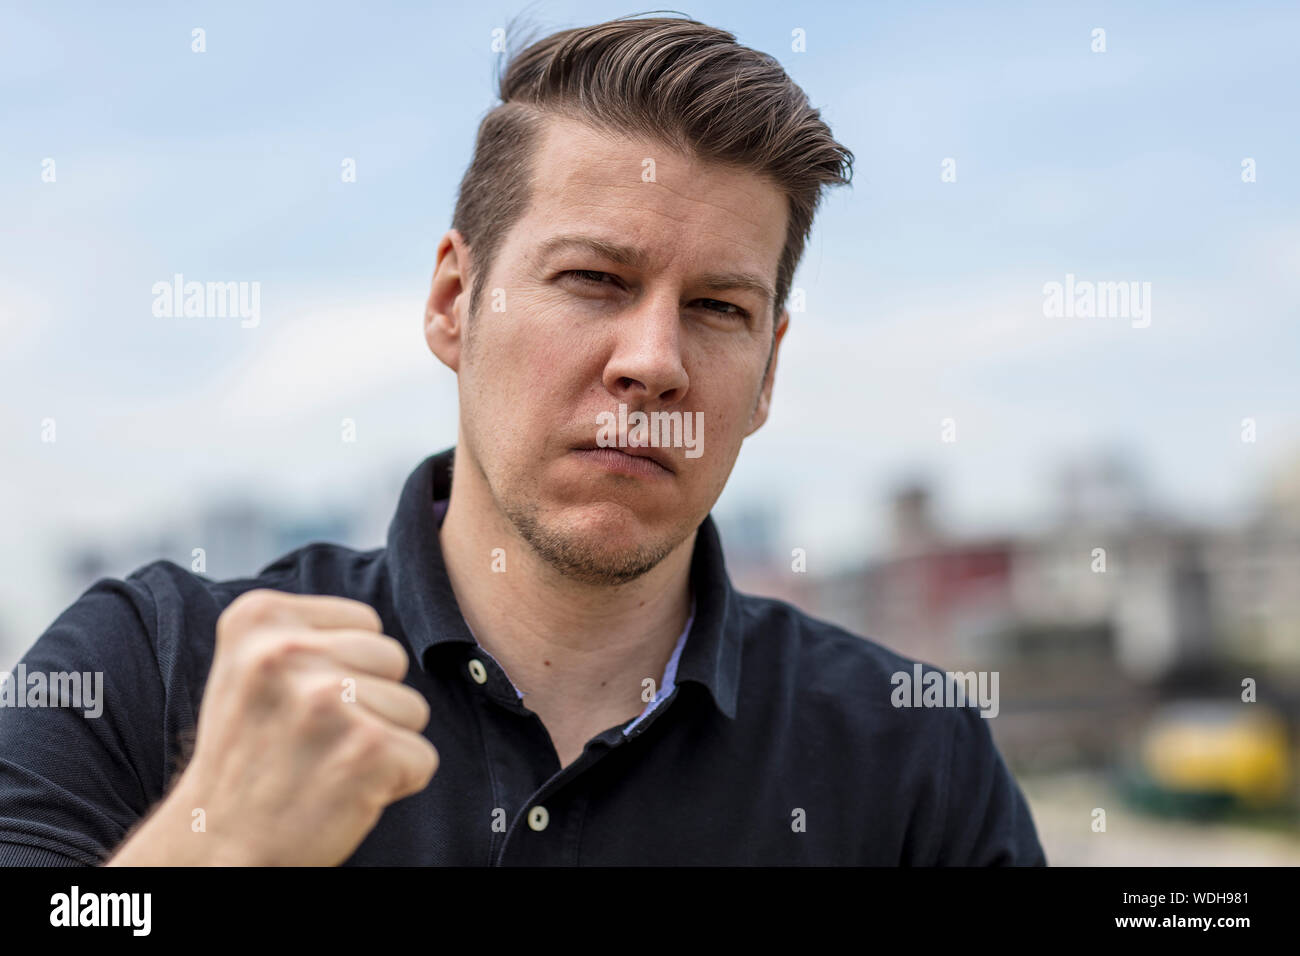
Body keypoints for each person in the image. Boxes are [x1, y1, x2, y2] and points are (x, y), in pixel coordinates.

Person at [0, 14, 1046, 866]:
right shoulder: (150, 664)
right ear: (455, 301)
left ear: (769, 369)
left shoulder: (914, 756)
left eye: (719, 308)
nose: (652, 360)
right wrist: (218, 843)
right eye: (595, 279)